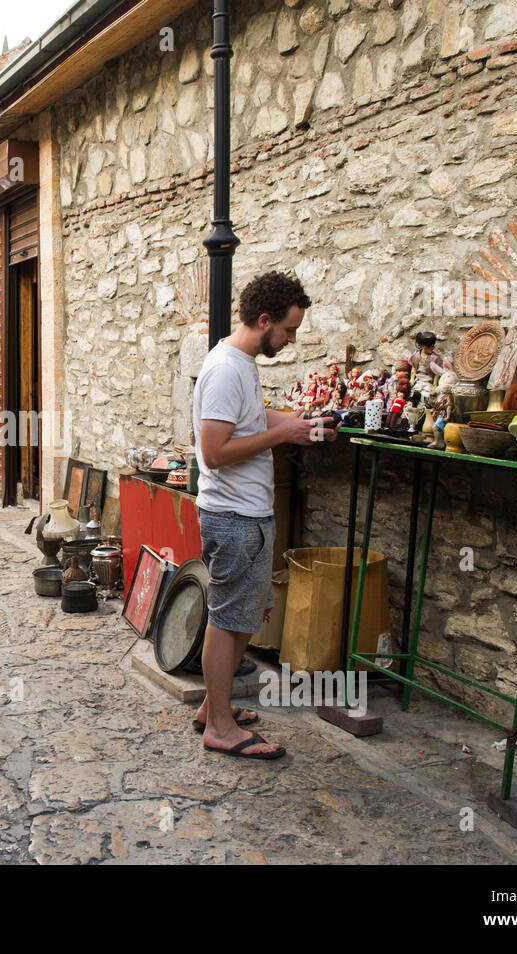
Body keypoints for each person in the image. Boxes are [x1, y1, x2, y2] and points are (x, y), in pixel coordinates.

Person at [191, 270, 337, 760]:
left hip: (245, 515)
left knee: (241, 617)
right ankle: (220, 727)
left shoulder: (242, 363)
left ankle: (215, 708)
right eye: (289, 330)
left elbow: (251, 419)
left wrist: (301, 425)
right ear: (264, 319)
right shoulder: (228, 369)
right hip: (233, 517)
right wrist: (283, 436)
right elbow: (213, 451)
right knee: (229, 619)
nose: (292, 340)